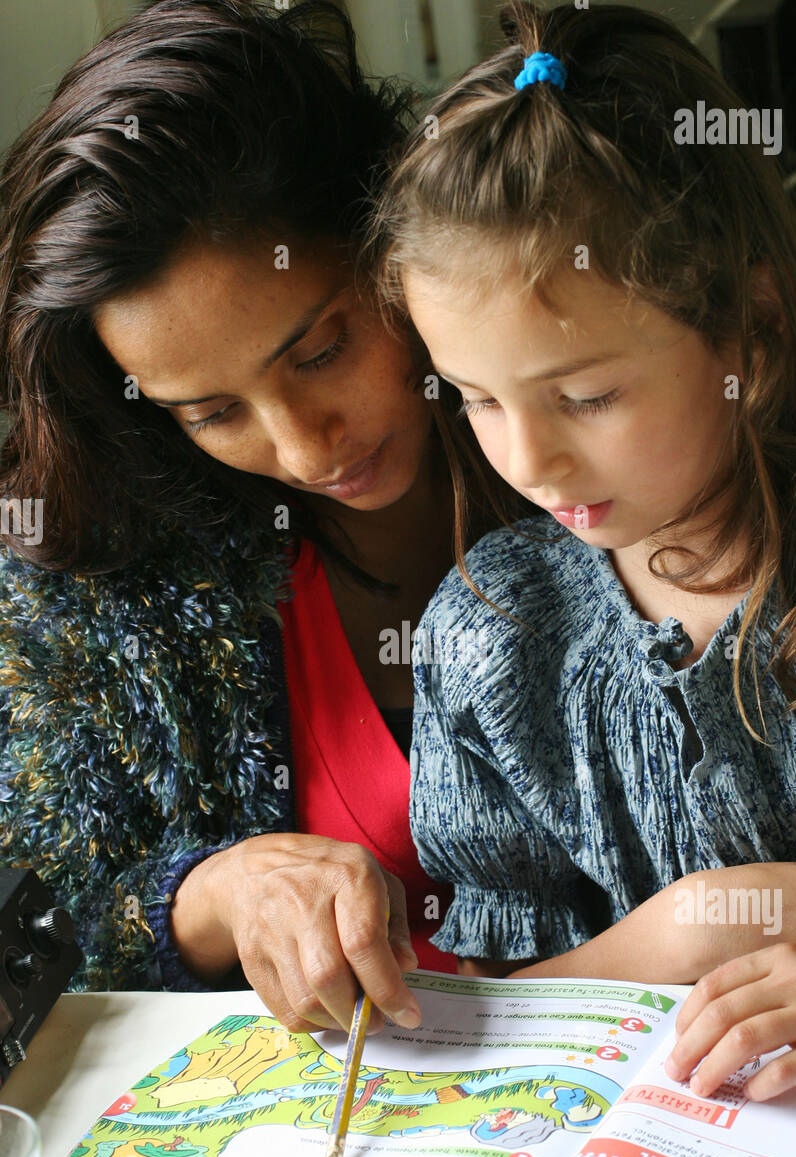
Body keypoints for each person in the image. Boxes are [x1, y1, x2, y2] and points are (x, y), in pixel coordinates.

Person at [0, 0, 532, 1035]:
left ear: (393, 237)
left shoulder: (607, 452)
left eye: (321, 351)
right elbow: (46, 902)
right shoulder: (103, 571)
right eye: (211, 411)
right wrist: (212, 894)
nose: (301, 447)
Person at [367, 1, 796, 1098]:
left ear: (754, 331)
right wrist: (679, 935)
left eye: (585, 395)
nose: (529, 461)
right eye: (475, 400)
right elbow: (494, 993)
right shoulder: (492, 638)